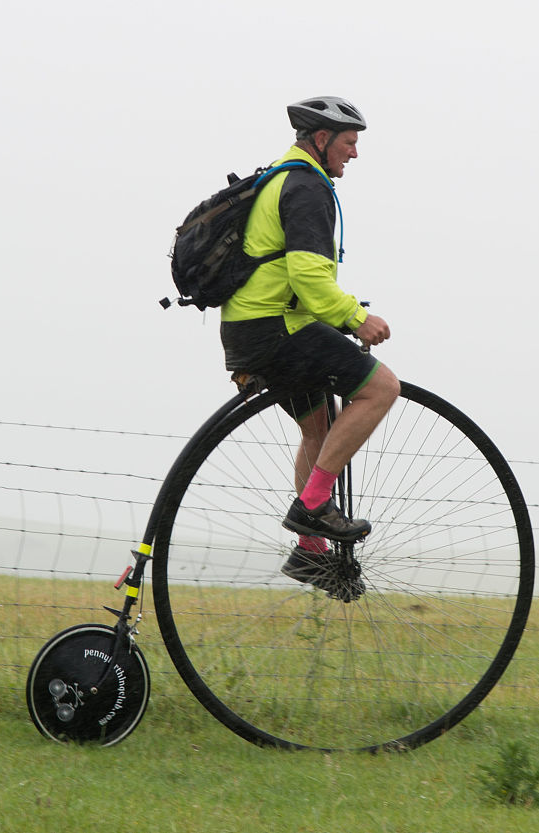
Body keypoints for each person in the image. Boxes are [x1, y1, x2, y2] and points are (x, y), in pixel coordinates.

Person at [219, 96, 401, 594]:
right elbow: (309, 278)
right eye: (349, 143)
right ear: (321, 140)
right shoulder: (306, 188)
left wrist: (338, 314)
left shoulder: (281, 177)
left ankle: (311, 553)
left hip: (252, 326)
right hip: (275, 328)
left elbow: (292, 277)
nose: (355, 154)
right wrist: (357, 318)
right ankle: (314, 505)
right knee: (382, 388)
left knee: (319, 429)